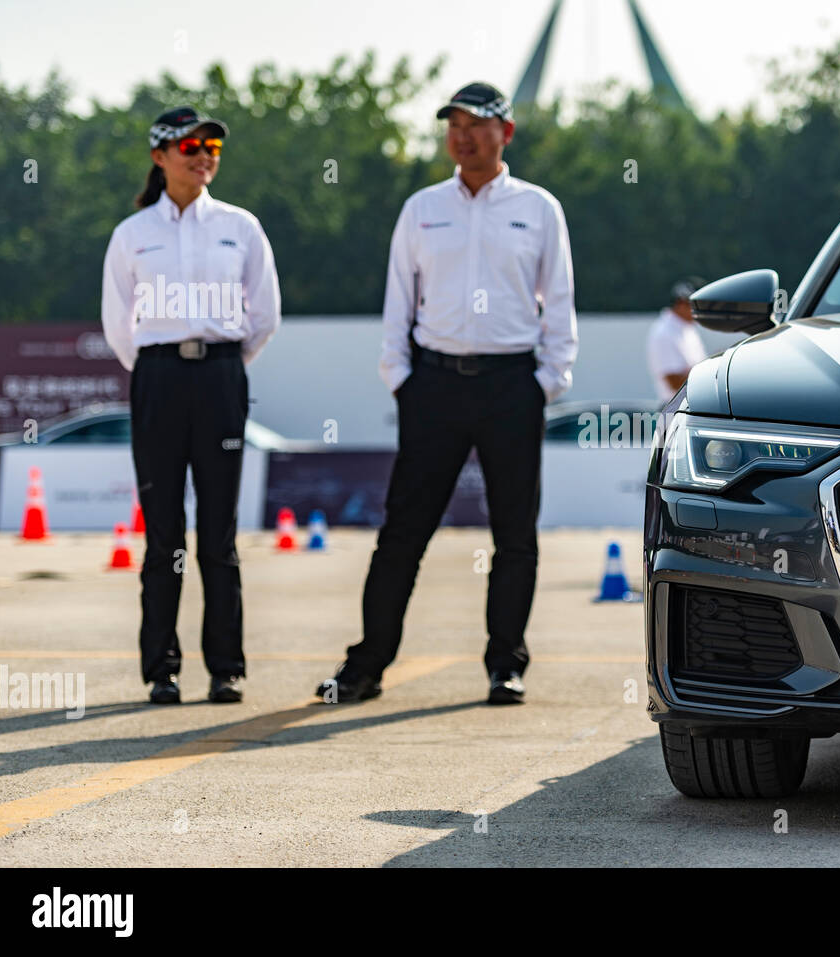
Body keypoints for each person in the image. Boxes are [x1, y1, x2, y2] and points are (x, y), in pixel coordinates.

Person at [316, 82, 577, 706]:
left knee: (514, 534)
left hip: (512, 385)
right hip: (432, 385)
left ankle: (505, 665)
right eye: (453, 124)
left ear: (505, 132)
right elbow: (396, 303)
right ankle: (367, 665)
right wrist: (400, 379)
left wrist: (546, 381)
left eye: (476, 124)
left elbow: (560, 303)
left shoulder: (539, 208)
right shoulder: (422, 208)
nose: (463, 135)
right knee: (403, 530)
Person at [101, 106, 282, 705]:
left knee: (218, 535)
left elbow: (263, 315)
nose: (203, 154)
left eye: (213, 147)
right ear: (160, 156)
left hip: (221, 378)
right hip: (157, 377)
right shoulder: (133, 235)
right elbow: (119, 325)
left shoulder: (241, 226)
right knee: (164, 536)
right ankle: (161, 669)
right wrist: (163, 368)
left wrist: (220, 365)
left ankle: (226, 668)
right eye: (190, 145)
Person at [647, 277, 707, 402]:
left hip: (689, 405)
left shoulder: (688, 329)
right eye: (697, 305)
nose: (702, 311)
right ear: (681, 303)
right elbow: (673, 381)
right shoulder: (663, 332)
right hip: (675, 409)